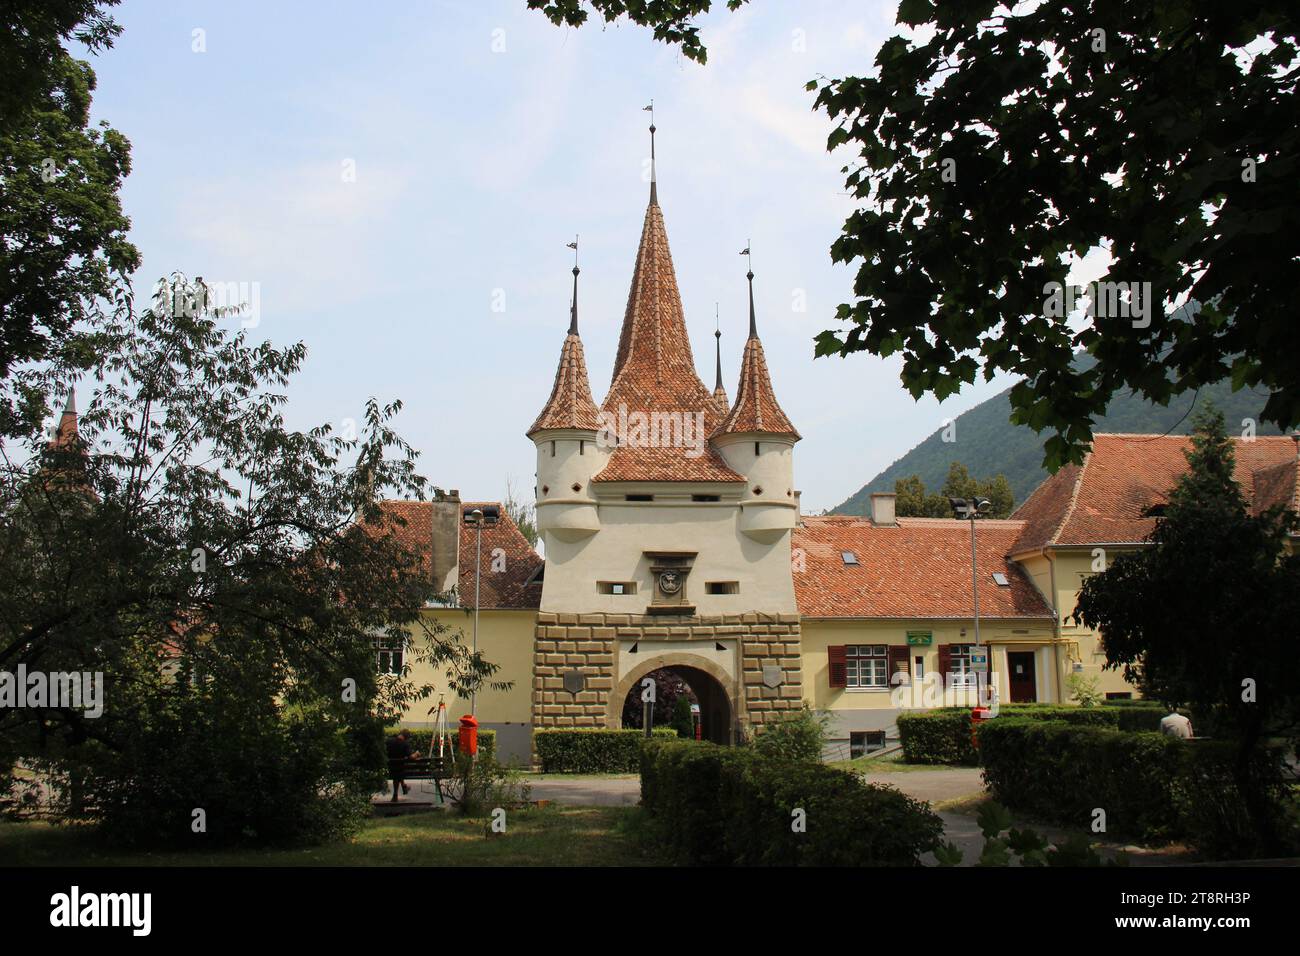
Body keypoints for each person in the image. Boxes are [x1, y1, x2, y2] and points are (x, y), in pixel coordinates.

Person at [385, 730, 421, 802]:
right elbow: (411, 757)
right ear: (406, 738)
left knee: (397, 769)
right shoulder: (404, 744)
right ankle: (402, 787)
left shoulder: (389, 741)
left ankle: (401, 789)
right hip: (399, 771)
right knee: (399, 769)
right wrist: (417, 754)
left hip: (388, 770)